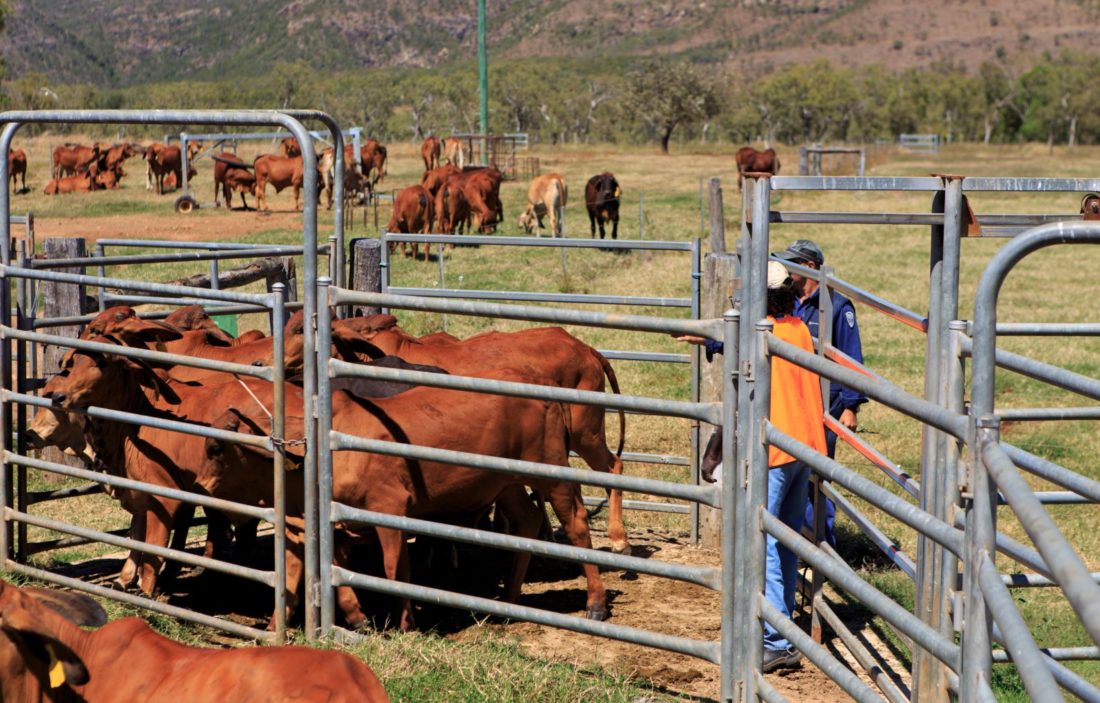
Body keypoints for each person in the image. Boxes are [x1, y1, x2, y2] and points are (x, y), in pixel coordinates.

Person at [677, 260, 827, 672]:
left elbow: (737, 344)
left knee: (767, 545)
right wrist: (712, 339)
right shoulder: (796, 328)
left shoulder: (764, 334)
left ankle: (776, 640)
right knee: (785, 538)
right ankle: (782, 628)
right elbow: (737, 342)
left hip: (776, 452)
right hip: (804, 447)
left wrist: (707, 338)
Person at [773, 239, 867, 547]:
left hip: (826, 407)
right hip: (793, 403)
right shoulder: (789, 302)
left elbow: (850, 358)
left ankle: (820, 549)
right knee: (793, 475)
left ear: (808, 267)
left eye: (791, 264)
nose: (785, 270)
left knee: (817, 480)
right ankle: (796, 544)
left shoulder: (837, 306)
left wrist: (851, 406)